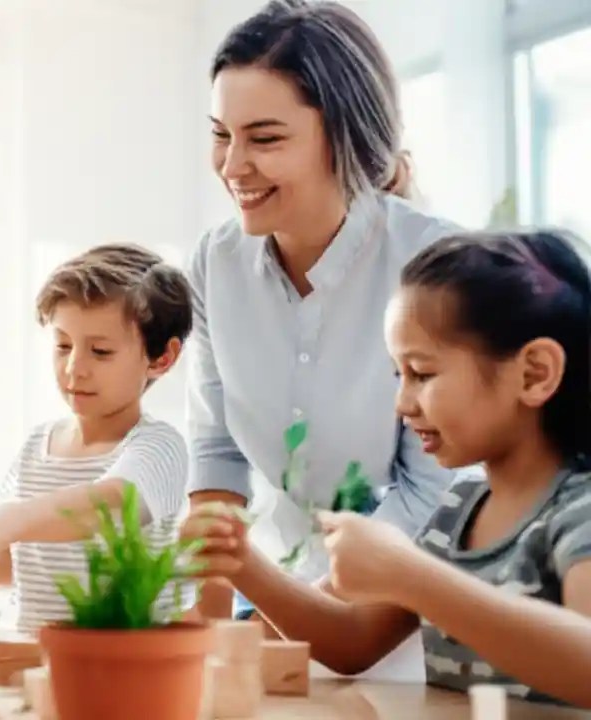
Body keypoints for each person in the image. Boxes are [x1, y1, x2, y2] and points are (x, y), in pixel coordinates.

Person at [182, 230, 591, 708]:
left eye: (422, 373)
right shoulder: (458, 512)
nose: (402, 404)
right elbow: (352, 641)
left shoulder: (577, 512)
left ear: (535, 372)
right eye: (399, 376)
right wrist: (244, 565)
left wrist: (412, 577)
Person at [186, 0, 456, 637]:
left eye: (266, 138)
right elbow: (217, 456)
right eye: (222, 134)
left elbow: (435, 493)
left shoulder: (434, 263)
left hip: (405, 622)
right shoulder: (215, 263)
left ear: (345, 135)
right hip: (276, 606)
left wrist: (308, 617)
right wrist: (206, 644)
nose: (231, 165)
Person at [0, 244, 195, 631]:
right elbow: (11, 564)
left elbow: (111, 507)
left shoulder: (158, 446)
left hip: (124, 667)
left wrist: (1, 520)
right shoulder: (36, 445)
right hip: (33, 663)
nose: (75, 368)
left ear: (161, 358)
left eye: (101, 351)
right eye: (62, 346)